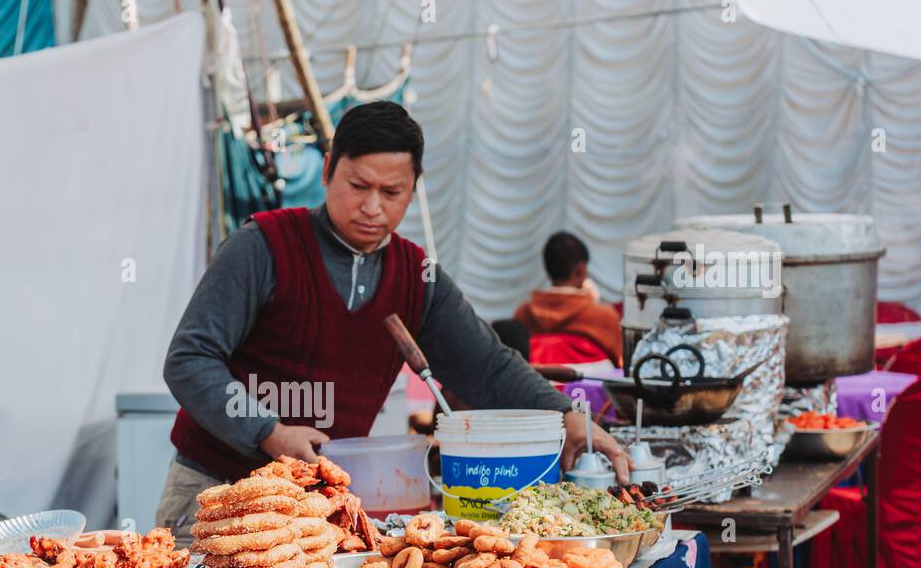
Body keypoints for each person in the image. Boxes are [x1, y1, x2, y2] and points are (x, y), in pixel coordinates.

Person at [156, 102, 628, 541]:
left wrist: (569, 417)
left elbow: (487, 367)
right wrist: (268, 432)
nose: (373, 207)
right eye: (358, 186)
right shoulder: (264, 246)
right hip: (217, 494)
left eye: (392, 192)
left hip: (320, 508)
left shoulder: (415, 275)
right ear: (326, 172)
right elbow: (190, 360)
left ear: (413, 189)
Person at [515, 231, 623, 366]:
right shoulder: (604, 317)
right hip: (586, 388)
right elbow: (621, 365)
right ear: (581, 269)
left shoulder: (524, 314)